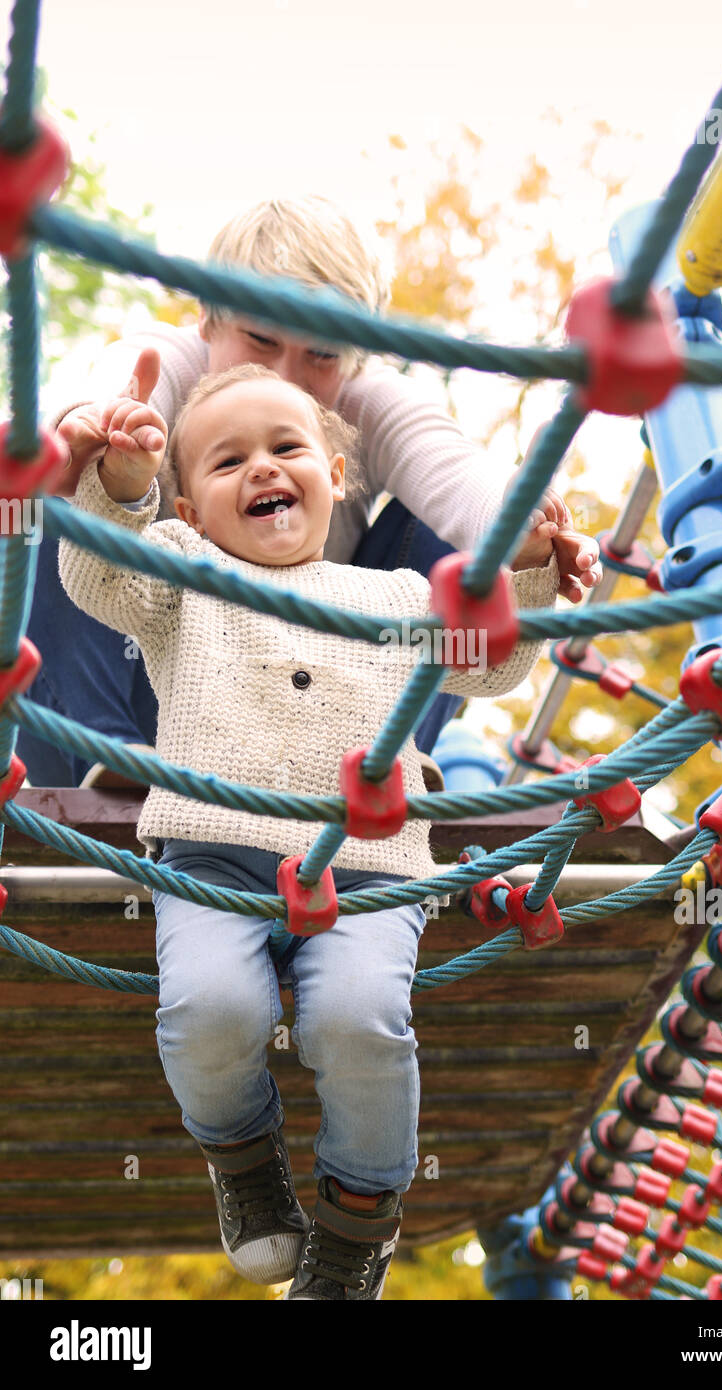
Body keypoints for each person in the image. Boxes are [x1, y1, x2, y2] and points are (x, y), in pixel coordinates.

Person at [58, 362, 566, 1300]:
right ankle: (244, 1160)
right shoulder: (185, 572)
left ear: (334, 474)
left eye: (285, 448)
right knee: (211, 1011)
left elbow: (489, 667)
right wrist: (123, 483)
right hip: (214, 848)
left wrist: (529, 572)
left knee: (359, 1022)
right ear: (191, 508)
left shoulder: (400, 598)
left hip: (370, 864)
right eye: (227, 460)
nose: (262, 469)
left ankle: (357, 1219)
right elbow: (101, 577)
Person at [25, 196, 601, 789]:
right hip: (158, 697)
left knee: (444, 541)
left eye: (322, 354)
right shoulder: (169, 363)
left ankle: (390, 750)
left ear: (353, 358)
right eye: (260, 340)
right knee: (54, 508)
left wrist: (526, 523)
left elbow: (456, 476)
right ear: (208, 320)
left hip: (325, 718)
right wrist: (94, 429)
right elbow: (114, 386)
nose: (285, 377)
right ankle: (106, 752)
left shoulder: (368, 404)